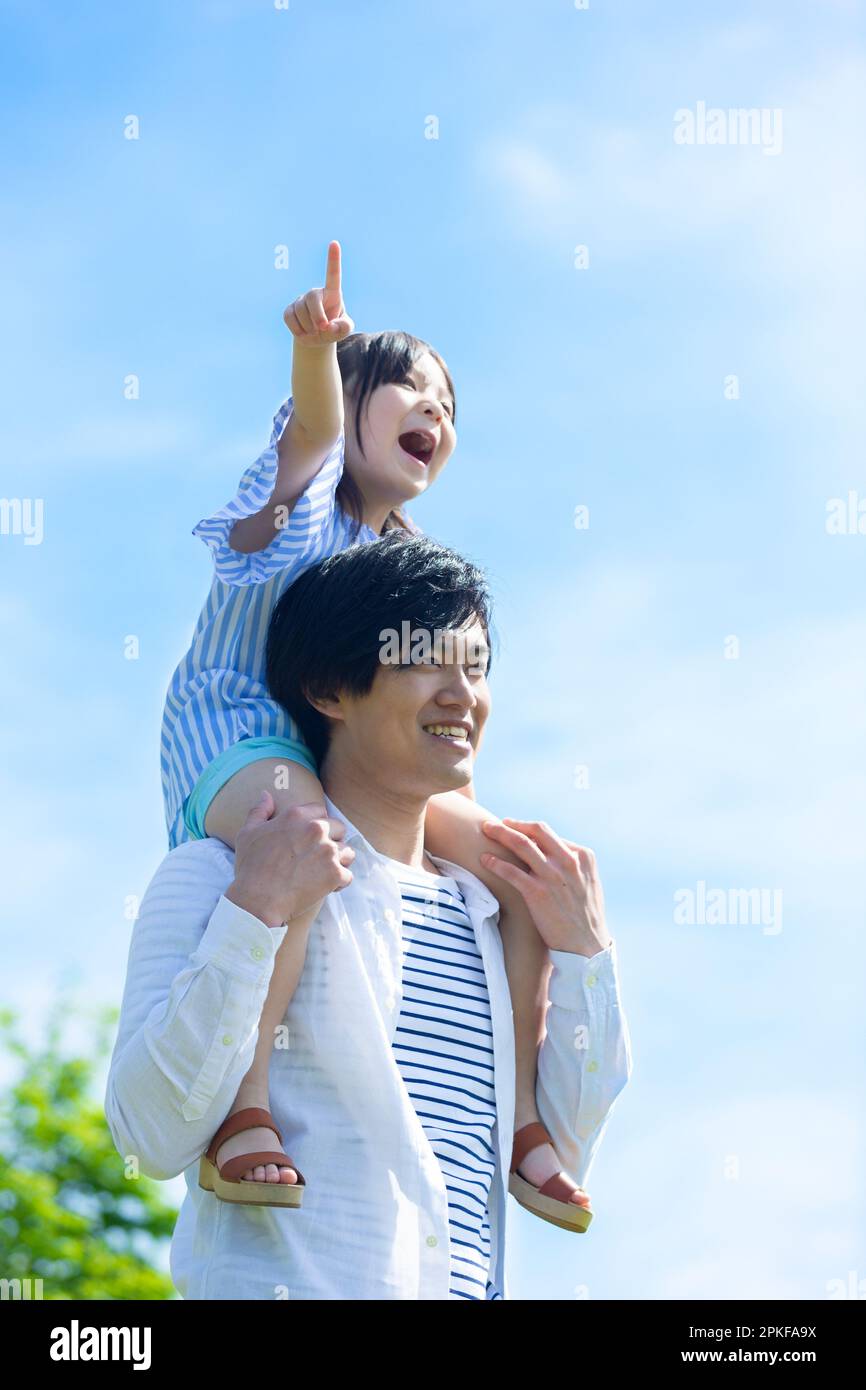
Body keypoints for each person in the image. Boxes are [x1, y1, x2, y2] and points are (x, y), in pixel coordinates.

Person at [157, 239, 604, 1221]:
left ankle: (522, 1122)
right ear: (350, 398)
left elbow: (441, 731)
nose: (434, 410)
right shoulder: (310, 497)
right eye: (406, 386)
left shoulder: (406, 563)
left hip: (339, 739)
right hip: (240, 728)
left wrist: (473, 828)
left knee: (520, 865)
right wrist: (317, 351)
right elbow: (316, 426)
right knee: (306, 834)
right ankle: (243, 1107)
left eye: (447, 403)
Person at [105, 532, 632, 1299]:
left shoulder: (497, 919)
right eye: (424, 660)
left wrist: (586, 953)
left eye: (476, 666)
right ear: (328, 689)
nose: (462, 694)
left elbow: (571, 1142)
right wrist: (256, 913)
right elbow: (150, 1135)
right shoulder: (217, 877)